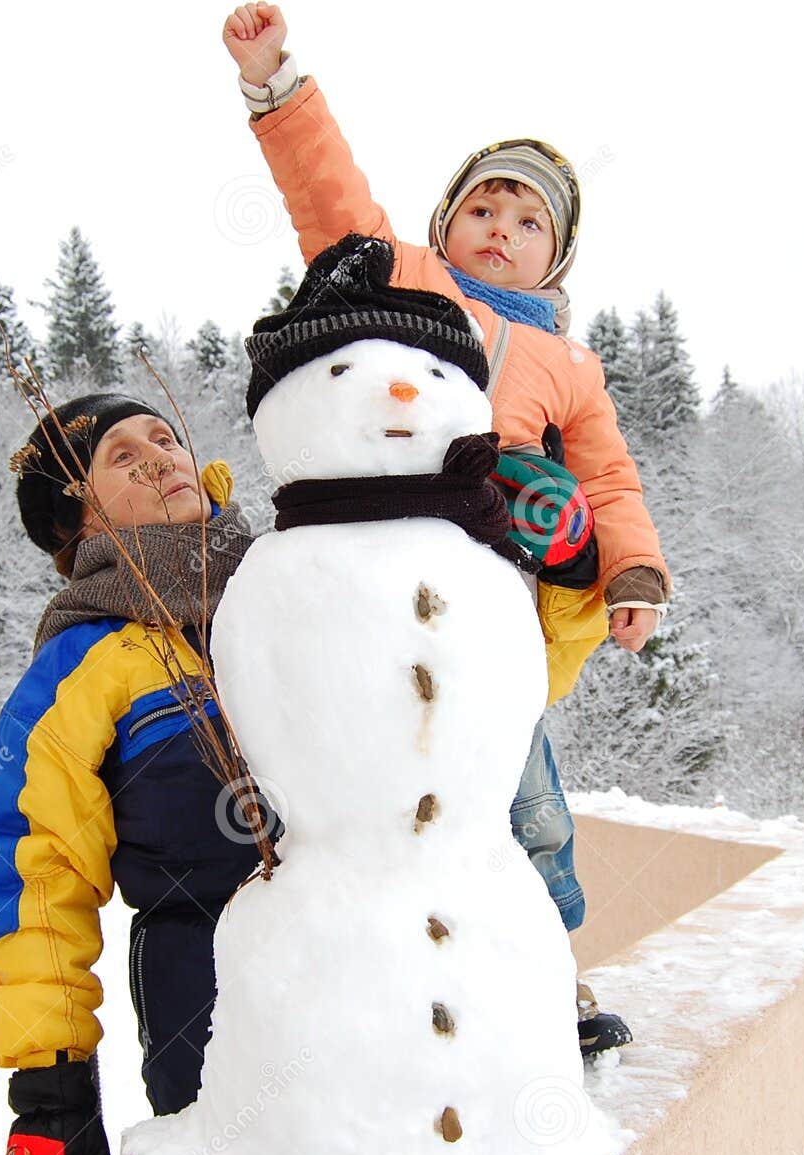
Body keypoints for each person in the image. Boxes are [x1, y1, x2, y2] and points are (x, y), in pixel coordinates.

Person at [223, 2, 671, 1054]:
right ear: (446, 222)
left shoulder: (569, 365)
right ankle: (341, 984)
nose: (500, 232)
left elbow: (607, 479)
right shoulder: (404, 278)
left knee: (525, 807)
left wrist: (633, 574)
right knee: (345, 779)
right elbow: (326, 196)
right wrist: (275, 81)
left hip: (483, 612)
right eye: (483, 209)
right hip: (367, 575)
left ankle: (547, 983)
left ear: (554, 258)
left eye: (528, 224)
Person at [0, 394, 262, 1155]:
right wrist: (51, 1086)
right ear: (79, 515)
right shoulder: (84, 662)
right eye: (121, 459)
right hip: (204, 995)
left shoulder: (289, 590)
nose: (158, 459)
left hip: (367, 960)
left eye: (165, 438)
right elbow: (39, 869)